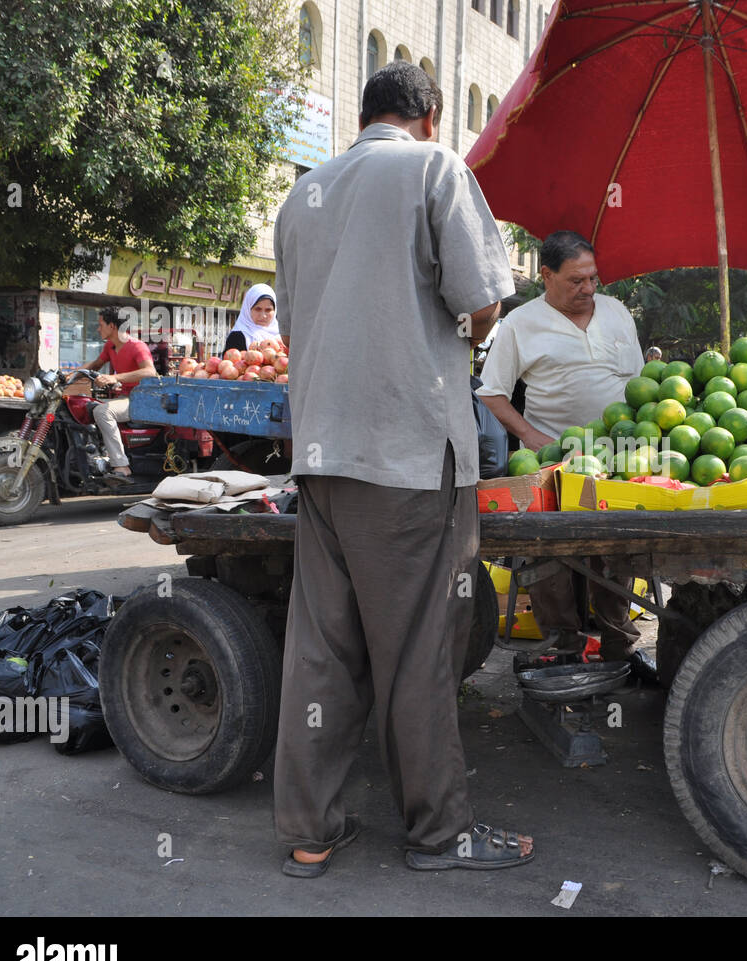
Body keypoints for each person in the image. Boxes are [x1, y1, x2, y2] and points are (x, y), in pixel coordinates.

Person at [272, 61, 531, 878]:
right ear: (430, 115)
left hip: (320, 453)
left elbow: (293, 316)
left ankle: (310, 830)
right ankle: (437, 833)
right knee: (419, 648)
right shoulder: (434, 169)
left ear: (365, 114)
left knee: (321, 645)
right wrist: (467, 329)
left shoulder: (302, 196)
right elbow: (483, 299)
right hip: (410, 454)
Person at [476, 231, 653, 675]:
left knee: (616, 545)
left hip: (618, 457)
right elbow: (492, 393)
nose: (588, 289)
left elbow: (640, 383)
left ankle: (620, 643)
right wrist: (533, 437)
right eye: (576, 281)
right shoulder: (521, 323)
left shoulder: (616, 314)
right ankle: (563, 643)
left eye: (593, 278)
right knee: (549, 549)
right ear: (547, 276)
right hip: (549, 464)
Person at [72, 306, 157, 481]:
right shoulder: (110, 347)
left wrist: (114, 377)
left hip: (142, 399)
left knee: (103, 411)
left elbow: (150, 372)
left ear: (112, 326)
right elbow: (95, 365)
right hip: (125, 397)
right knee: (87, 408)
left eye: (100, 324)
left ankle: (121, 466)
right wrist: (69, 374)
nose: (98, 328)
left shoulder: (137, 346)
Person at [223, 284, 280, 353]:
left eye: (268, 310)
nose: (263, 316)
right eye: (258, 309)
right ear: (248, 309)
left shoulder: (282, 338)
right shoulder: (237, 337)